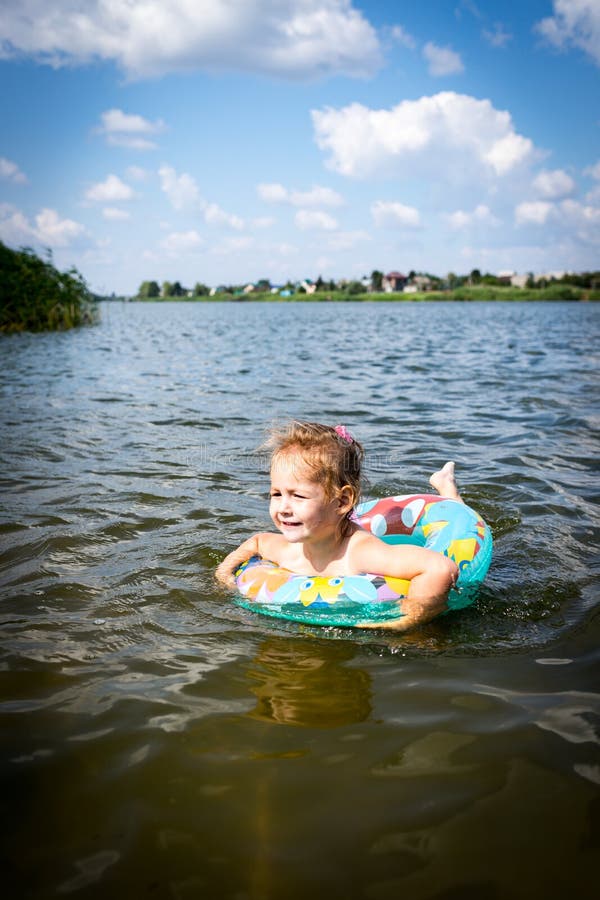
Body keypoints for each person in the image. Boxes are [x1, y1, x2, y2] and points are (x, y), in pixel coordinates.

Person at [215, 421, 461, 632]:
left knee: (454, 514)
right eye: (276, 494)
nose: (283, 508)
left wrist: (412, 616)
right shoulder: (284, 550)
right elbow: (257, 541)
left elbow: (439, 567)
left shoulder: (360, 553)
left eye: (298, 496)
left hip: (446, 530)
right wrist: (224, 571)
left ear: (342, 501)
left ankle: (448, 492)